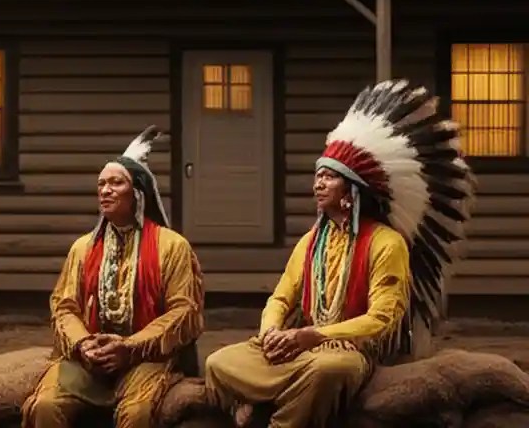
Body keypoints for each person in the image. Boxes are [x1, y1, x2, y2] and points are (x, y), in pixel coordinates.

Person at [203, 79, 477, 428]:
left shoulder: (386, 243)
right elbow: (280, 297)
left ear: (352, 190)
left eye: (329, 177)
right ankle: (290, 393)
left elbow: (382, 318)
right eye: (317, 176)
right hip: (299, 346)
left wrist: (315, 336)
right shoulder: (311, 242)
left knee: (327, 370)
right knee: (219, 362)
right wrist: (271, 332)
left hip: (348, 350)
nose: (318, 183)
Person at [22, 126, 206, 428]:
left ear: (137, 194)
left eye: (115, 183)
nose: (105, 190)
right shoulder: (83, 248)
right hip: (90, 355)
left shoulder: (171, 246)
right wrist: (83, 345)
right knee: (44, 406)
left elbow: (184, 310)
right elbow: (65, 306)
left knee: (136, 414)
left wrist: (129, 346)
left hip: (145, 357)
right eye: (101, 184)